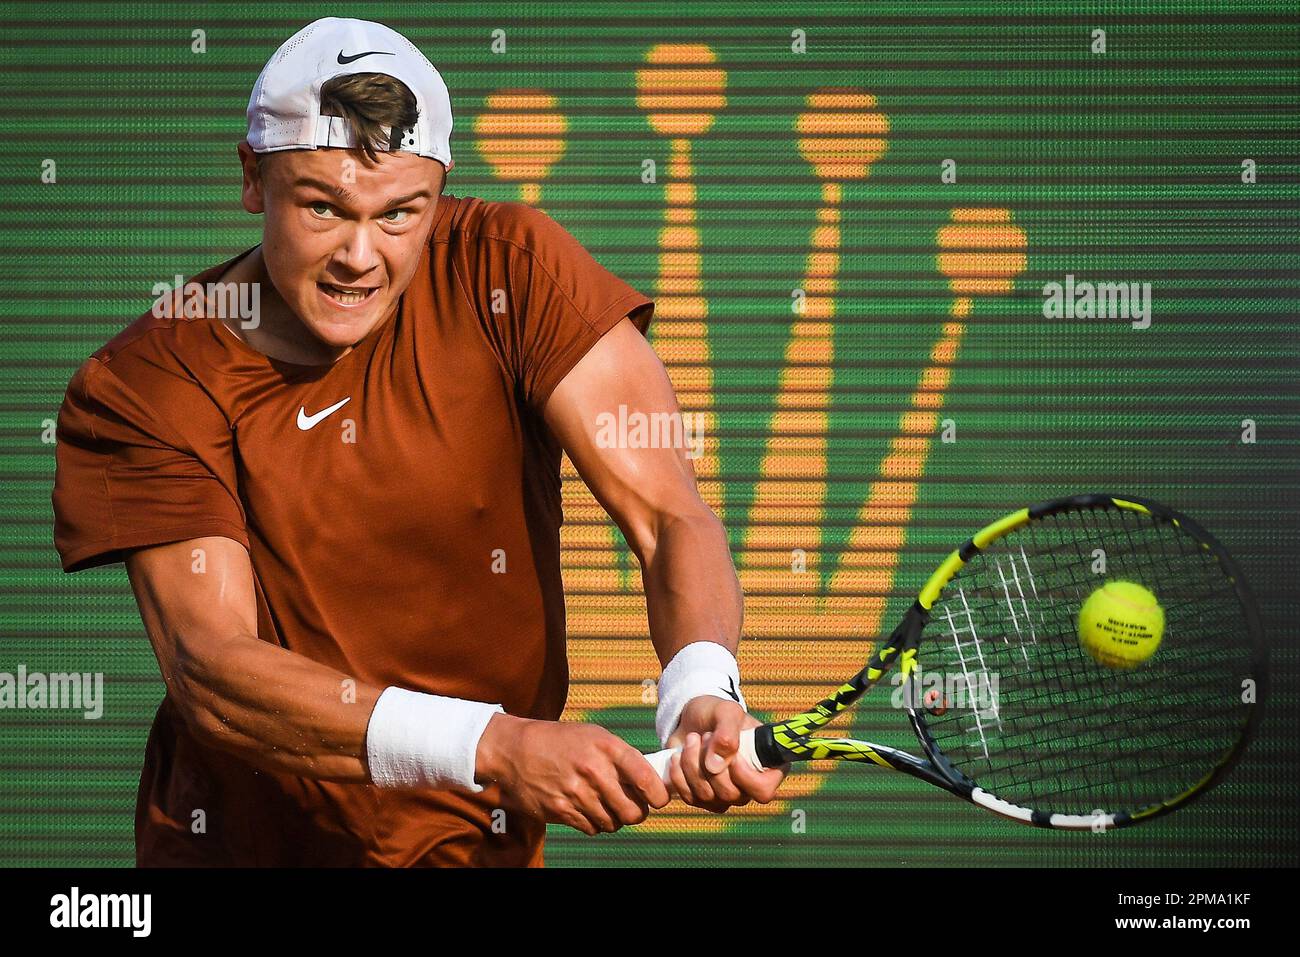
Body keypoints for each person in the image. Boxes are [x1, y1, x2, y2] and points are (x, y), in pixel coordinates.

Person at [51, 16, 783, 866]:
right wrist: (494, 746)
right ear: (252, 178)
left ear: (441, 190)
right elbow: (213, 668)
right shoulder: (148, 379)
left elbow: (666, 515)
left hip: (479, 846)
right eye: (323, 207)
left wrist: (698, 683)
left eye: (402, 213)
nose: (361, 256)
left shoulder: (512, 269)